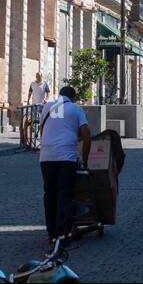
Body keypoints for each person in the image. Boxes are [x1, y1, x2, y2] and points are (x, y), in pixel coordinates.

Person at [38, 85, 91, 245]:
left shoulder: (46, 107)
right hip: (66, 157)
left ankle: (52, 233)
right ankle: (63, 233)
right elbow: (87, 135)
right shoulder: (75, 109)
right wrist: (85, 158)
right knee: (65, 194)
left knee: (49, 194)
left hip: (46, 157)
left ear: (60, 95)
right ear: (73, 97)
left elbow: (43, 130)